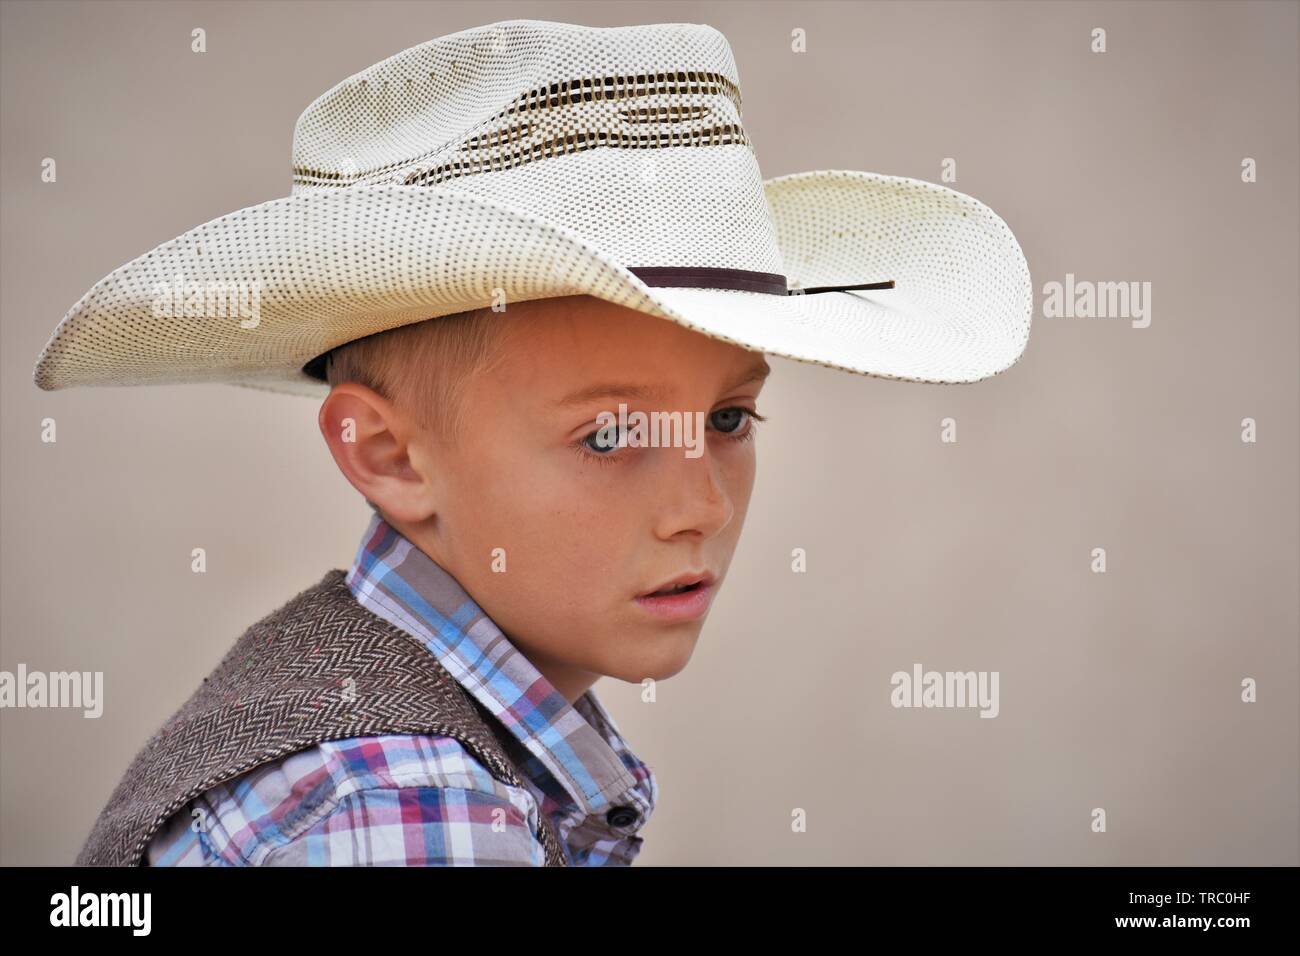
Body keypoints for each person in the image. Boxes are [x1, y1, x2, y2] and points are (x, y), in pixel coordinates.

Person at [36, 19, 1031, 866]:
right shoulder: (403, 798)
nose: (702, 507)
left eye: (727, 419)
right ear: (390, 457)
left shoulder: (372, 708)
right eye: (608, 434)